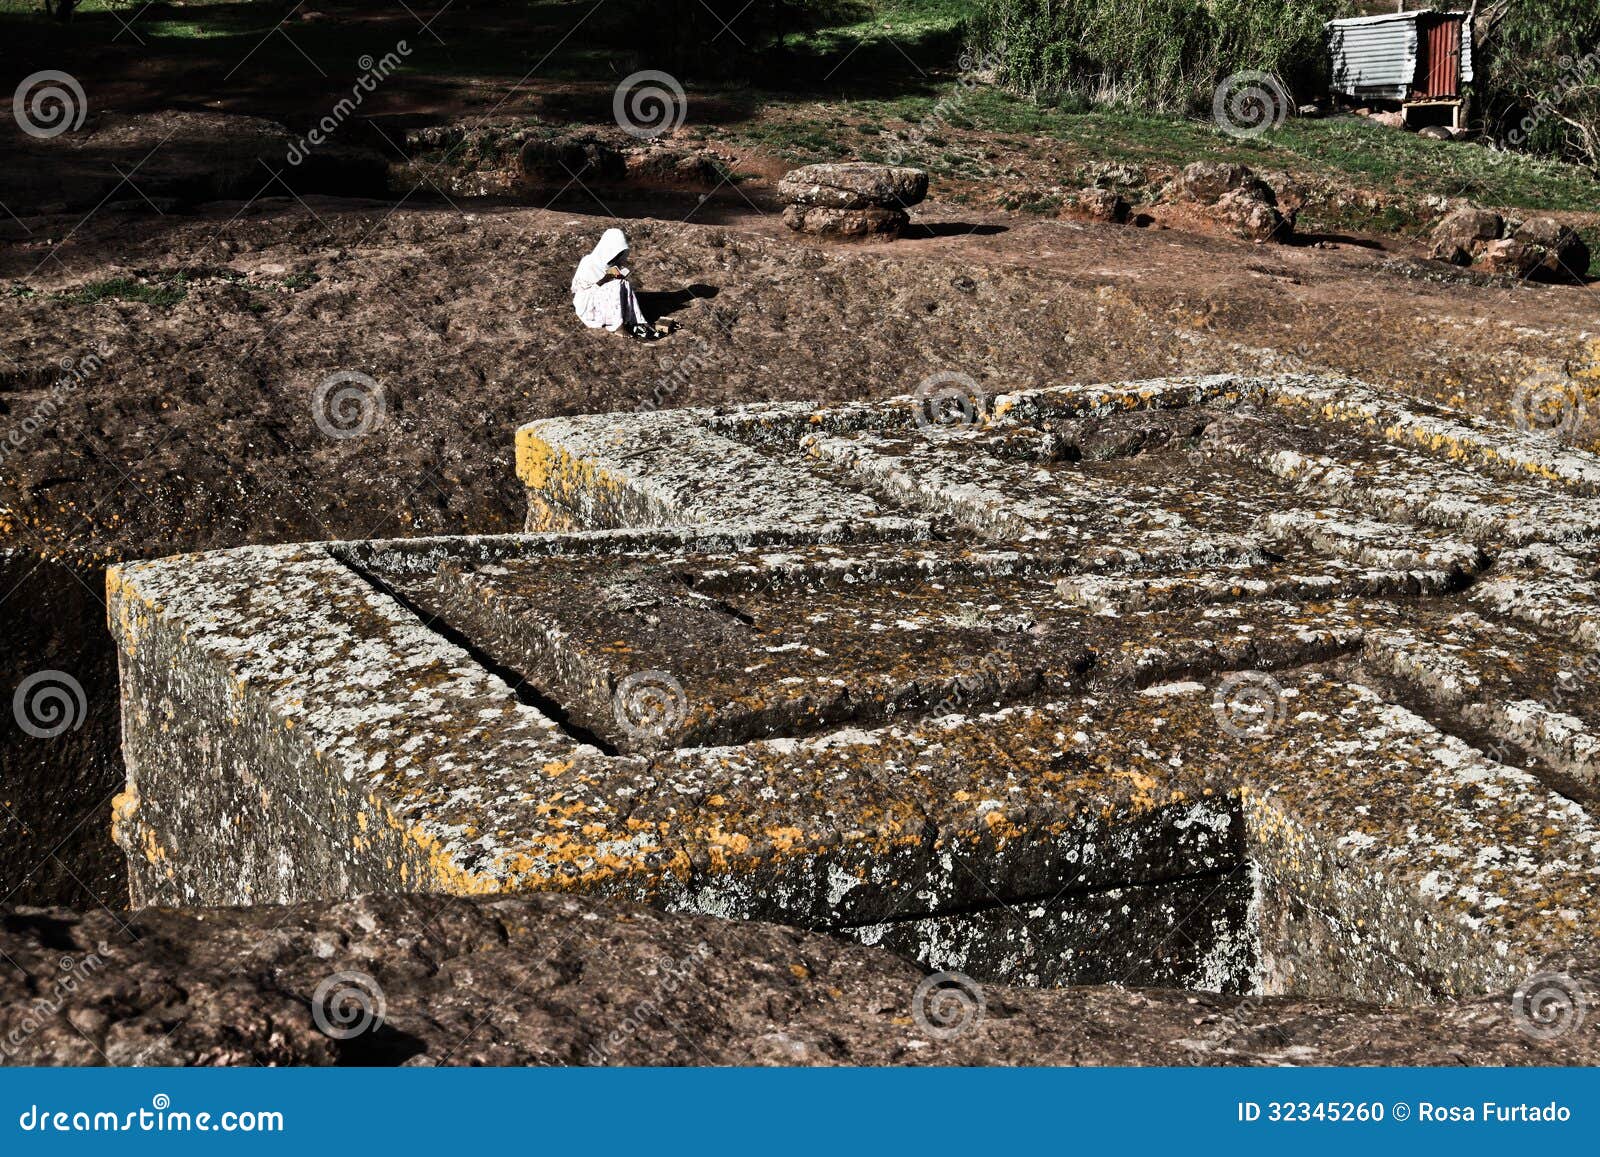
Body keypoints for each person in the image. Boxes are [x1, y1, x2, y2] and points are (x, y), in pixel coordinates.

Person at [571, 228, 663, 341]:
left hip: (604, 294)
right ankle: (617, 326)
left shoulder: (612, 263)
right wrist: (606, 279)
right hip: (588, 302)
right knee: (616, 285)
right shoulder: (589, 262)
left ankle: (634, 319)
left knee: (623, 283)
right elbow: (583, 291)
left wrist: (618, 276)